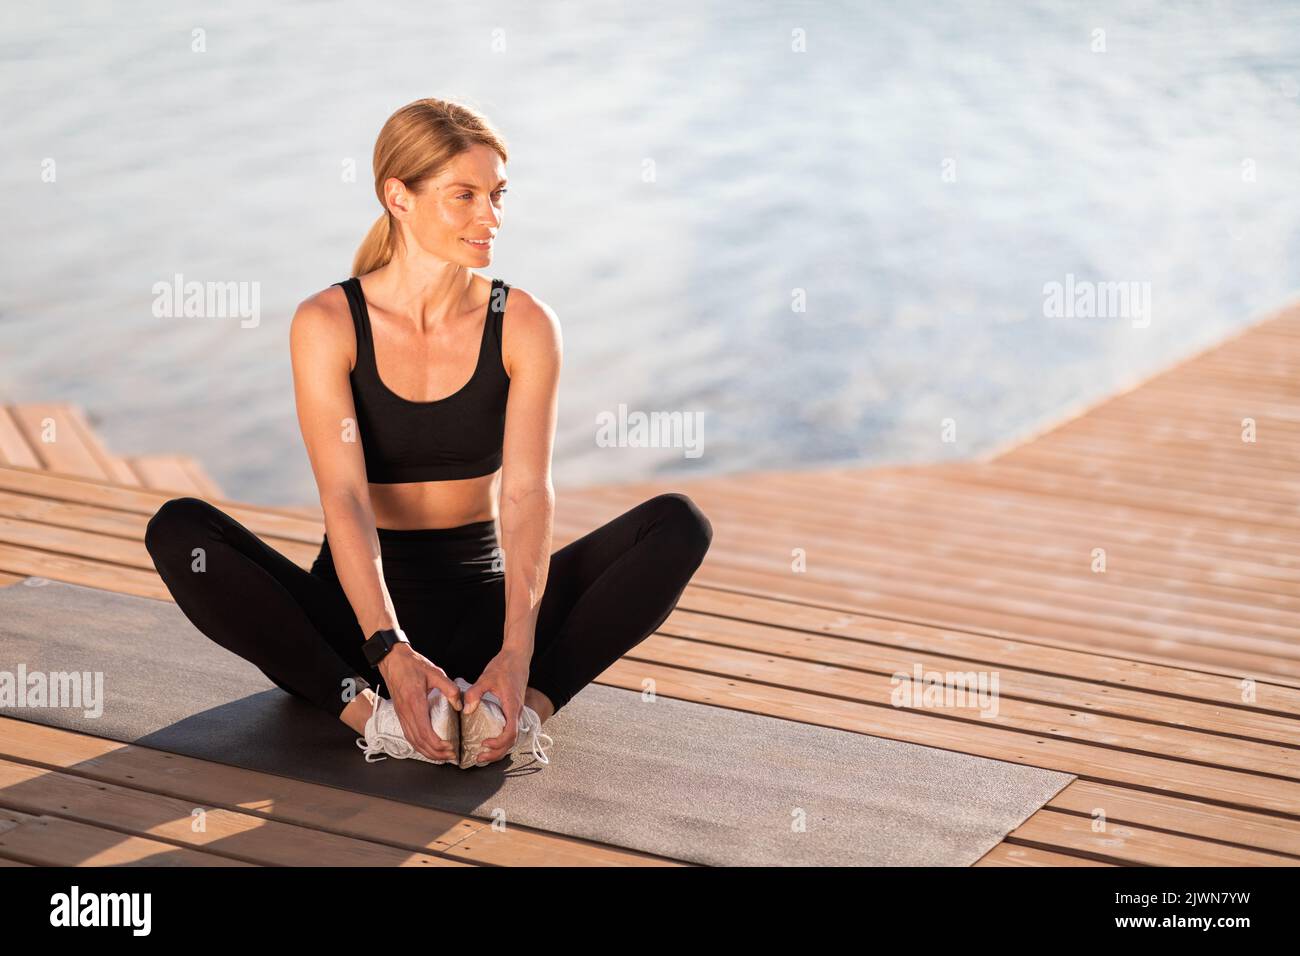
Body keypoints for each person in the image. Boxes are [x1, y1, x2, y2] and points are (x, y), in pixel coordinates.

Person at [143, 97, 712, 769]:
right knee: (179, 528)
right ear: (398, 196)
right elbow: (346, 500)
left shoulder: (523, 323)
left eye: (498, 194)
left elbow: (528, 494)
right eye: (464, 195)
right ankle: (374, 716)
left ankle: (520, 708)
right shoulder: (328, 323)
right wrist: (389, 649)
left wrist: (515, 646)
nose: (491, 217)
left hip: (486, 612)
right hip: (356, 628)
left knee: (678, 526)